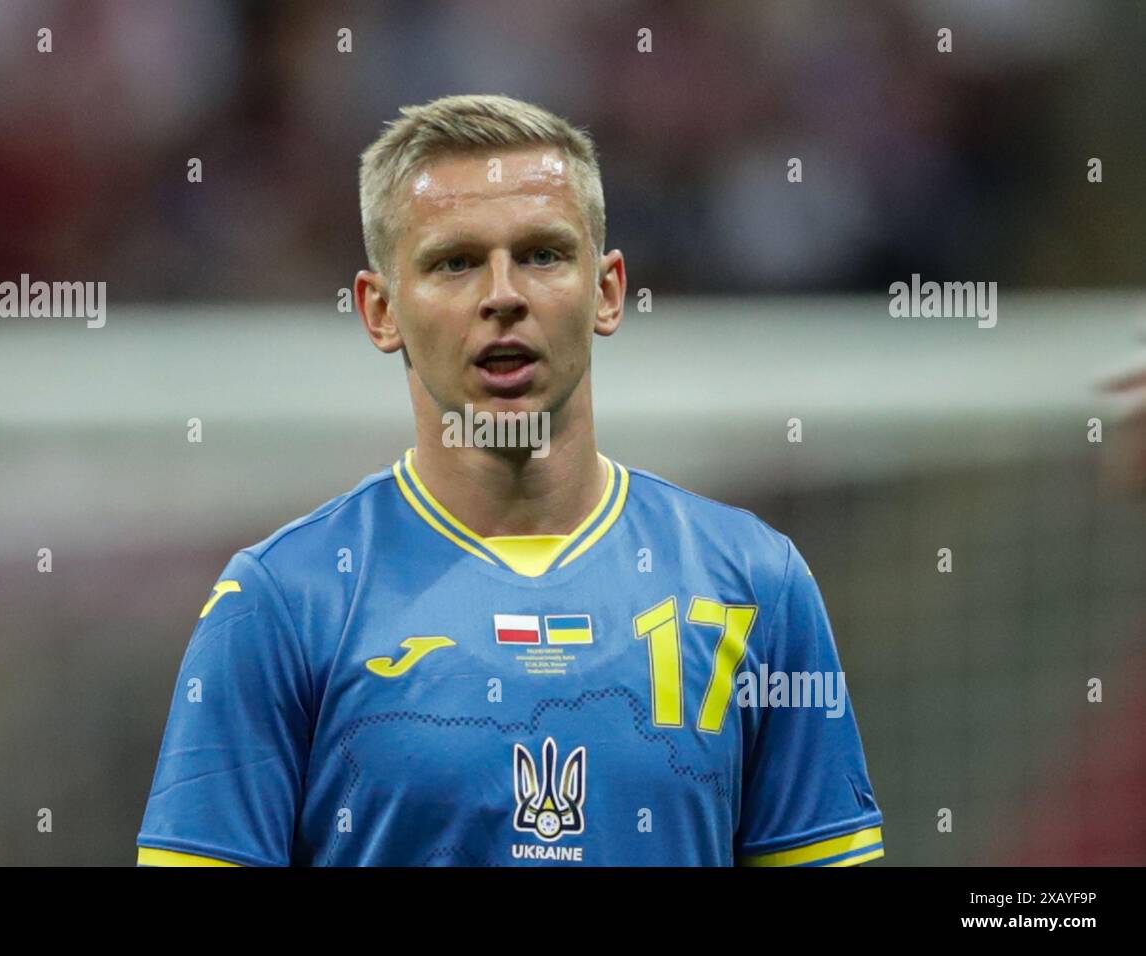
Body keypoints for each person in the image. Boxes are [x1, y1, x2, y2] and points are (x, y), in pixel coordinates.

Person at [136, 94, 883, 866]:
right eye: (454, 262)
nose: (504, 294)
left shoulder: (754, 585)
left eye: (543, 254)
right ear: (380, 310)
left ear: (607, 291)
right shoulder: (284, 604)